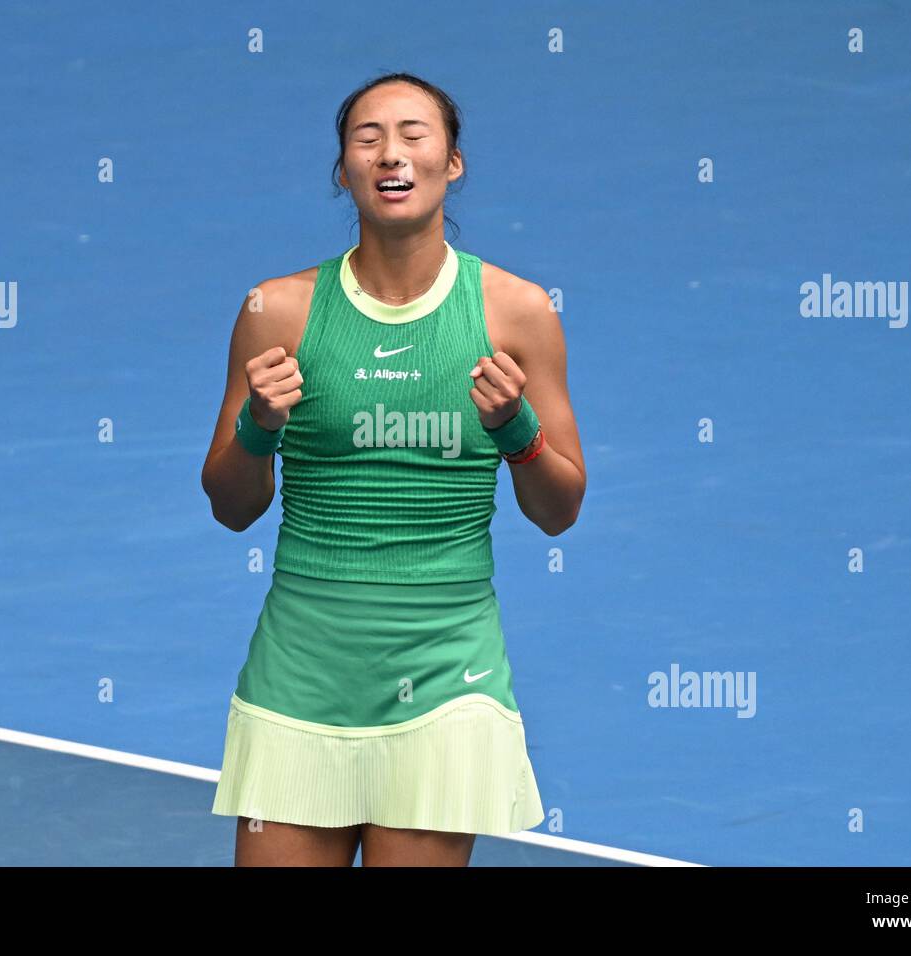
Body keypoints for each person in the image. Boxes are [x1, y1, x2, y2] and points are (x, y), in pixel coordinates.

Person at [201, 72, 586, 866]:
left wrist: (517, 432)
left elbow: (559, 509)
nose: (391, 153)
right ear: (343, 171)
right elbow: (231, 505)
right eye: (367, 137)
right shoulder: (278, 310)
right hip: (301, 674)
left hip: (446, 675)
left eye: (414, 134)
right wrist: (258, 426)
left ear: (453, 163)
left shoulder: (516, 312)